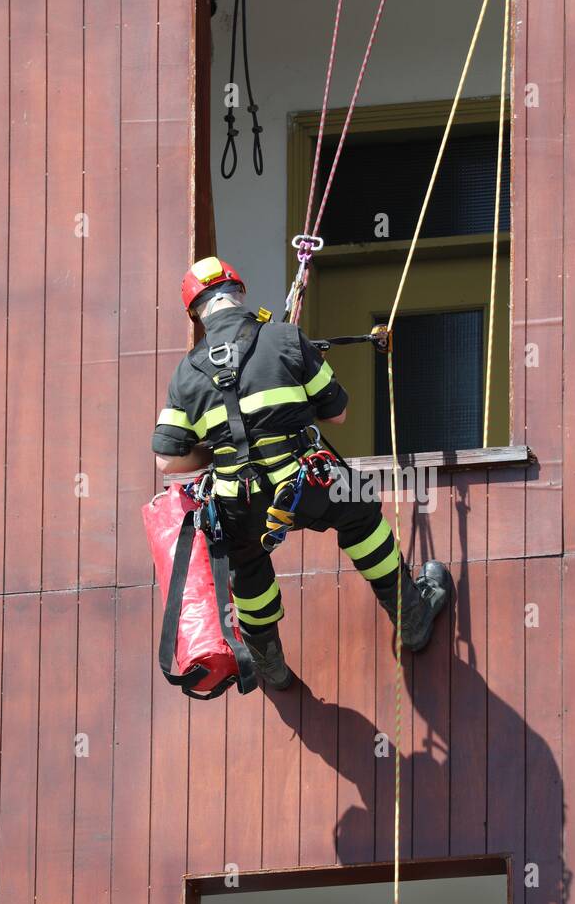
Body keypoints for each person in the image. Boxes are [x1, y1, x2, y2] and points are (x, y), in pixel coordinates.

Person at [151, 256, 451, 690]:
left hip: (238, 502)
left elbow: (167, 460)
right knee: (361, 512)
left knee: (247, 563)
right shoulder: (283, 337)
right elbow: (339, 413)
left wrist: (221, 453)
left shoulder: (187, 373)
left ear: (196, 312)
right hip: (304, 483)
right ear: (239, 293)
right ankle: (412, 616)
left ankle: (269, 664)